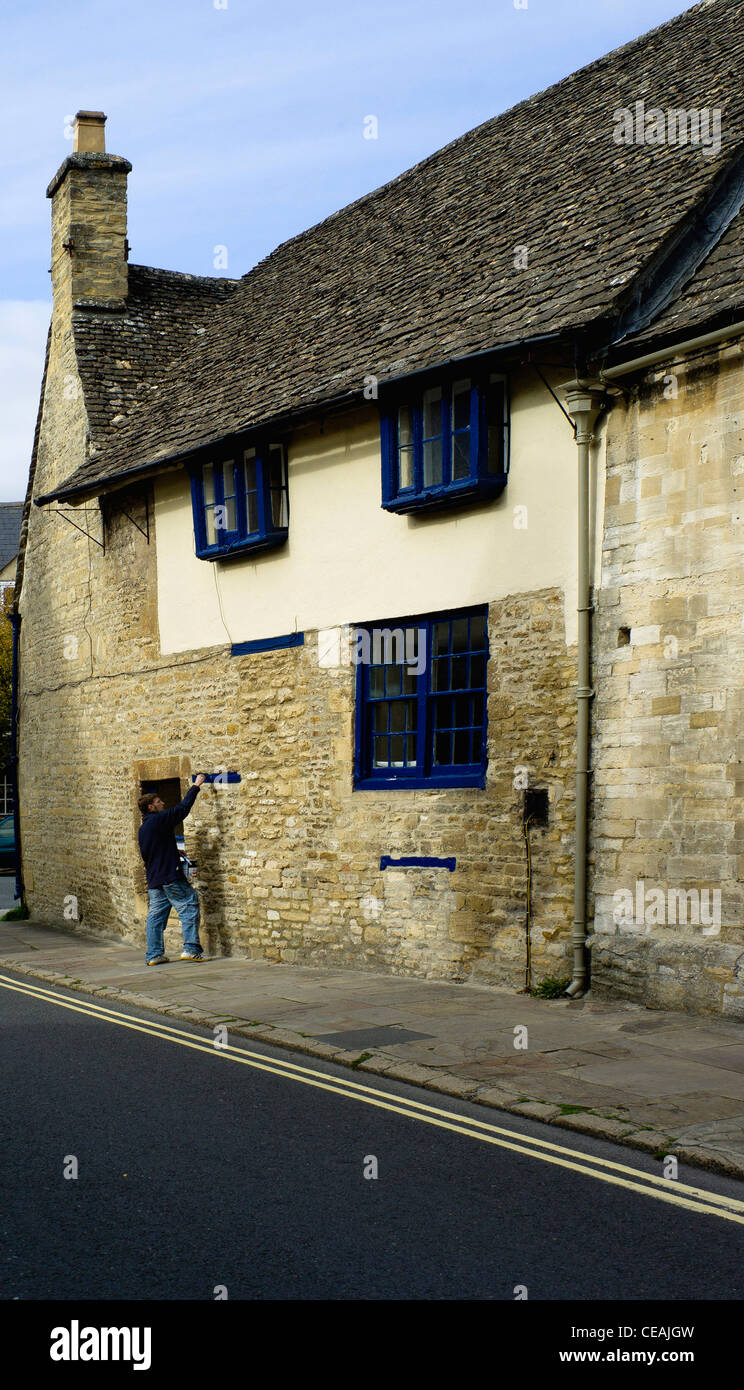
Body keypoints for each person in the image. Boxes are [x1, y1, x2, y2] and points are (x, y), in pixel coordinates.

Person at [138, 774, 206, 965]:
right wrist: (196, 785)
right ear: (151, 807)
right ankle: (191, 949)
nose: (163, 803)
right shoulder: (159, 820)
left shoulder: (144, 828)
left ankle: (154, 954)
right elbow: (182, 809)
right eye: (159, 801)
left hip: (154, 879)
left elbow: (152, 851)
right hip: (169, 875)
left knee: (156, 917)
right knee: (189, 905)